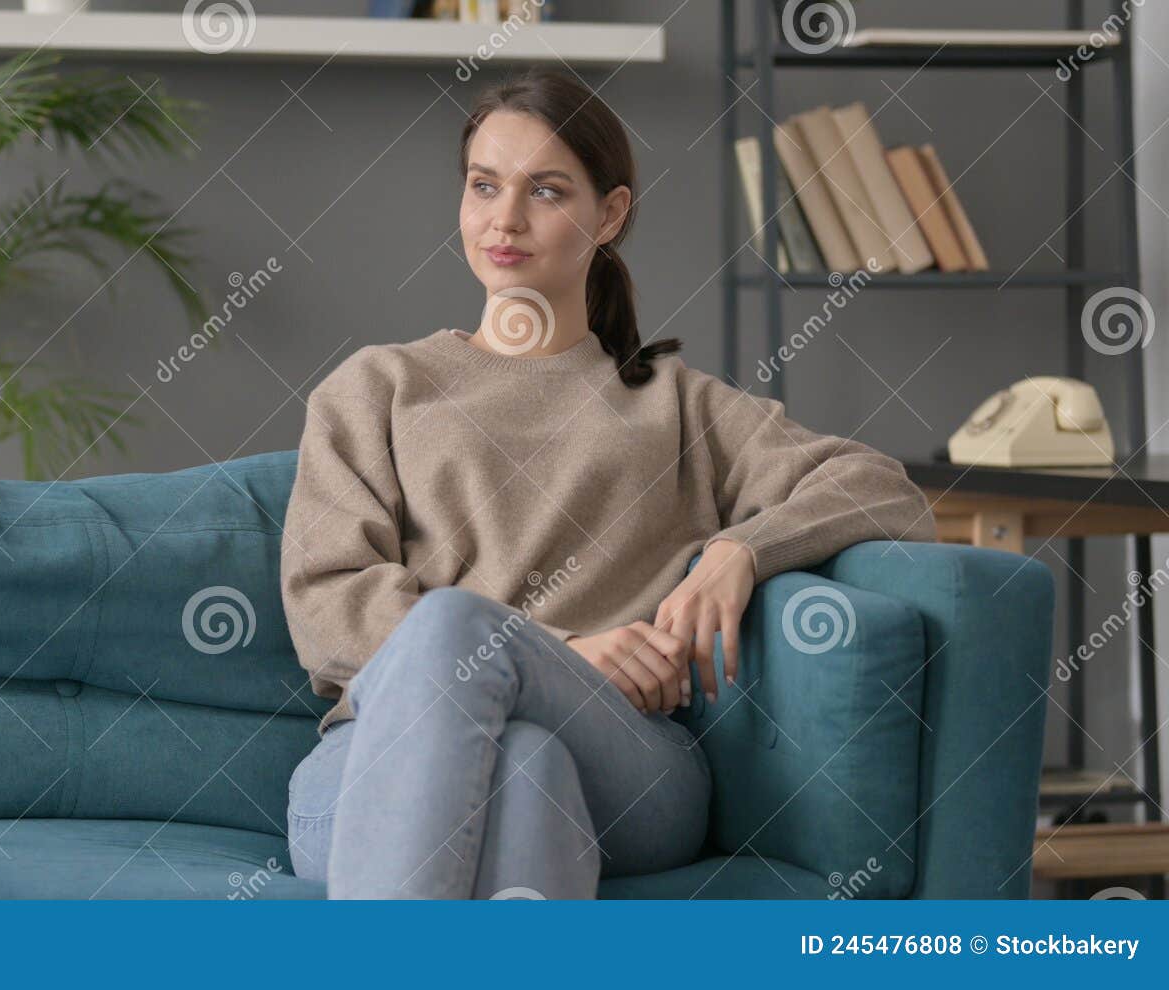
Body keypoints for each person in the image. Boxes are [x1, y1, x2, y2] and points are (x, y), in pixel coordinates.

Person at [278, 67, 936, 899]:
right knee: (521, 765)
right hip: (376, 757)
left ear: (611, 214)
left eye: (545, 191)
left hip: (627, 763)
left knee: (466, 653)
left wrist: (743, 548)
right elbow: (328, 609)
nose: (504, 220)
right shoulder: (377, 387)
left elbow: (882, 489)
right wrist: (565, 654)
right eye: (484, 187)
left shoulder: (676, 404)